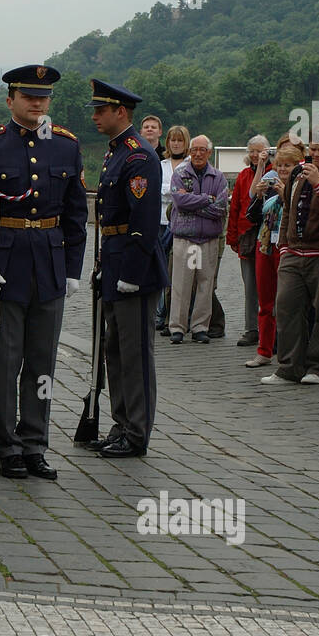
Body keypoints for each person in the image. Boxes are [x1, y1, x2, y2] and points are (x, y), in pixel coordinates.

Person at [0, 64, 87, 480]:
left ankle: (35, 444)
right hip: (4, 265)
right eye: (29, 96)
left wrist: (72, 267)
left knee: (42, 362)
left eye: (43, 97)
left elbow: (76, 213)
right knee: (4, 361)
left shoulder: (66, 145)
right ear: (9, 100)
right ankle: (6, 445)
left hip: (48, 263)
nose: (37, 103)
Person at [87, 80, 167, 458]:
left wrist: (132, 275)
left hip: (135, 268)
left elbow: (145, 221)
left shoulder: (139, 155)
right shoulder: (117, 152)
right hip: (116, 260)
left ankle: (137, 433)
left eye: (101, 110)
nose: (95, 116)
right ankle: (121, 425)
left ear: (121, 111)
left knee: (135, 355)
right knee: (115, 351)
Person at [263, 126, 319, 385]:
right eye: (312, 149)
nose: (315, 154)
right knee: (287, 307)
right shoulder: (298, 171)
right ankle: (289, 367)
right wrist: (284, 244)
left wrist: (318, 184)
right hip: (293, 250)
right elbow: (288, 208)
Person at [244, 136, 302, 367]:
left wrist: (283, 193)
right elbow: (253, 212)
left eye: (287, 165)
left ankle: (288, 352)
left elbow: (301, 211)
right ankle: (264, 351)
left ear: (297, 165)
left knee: (287, 303)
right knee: (265, 302)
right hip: (265, 242)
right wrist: (259, 196)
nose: (282, 169)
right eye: (279, 165)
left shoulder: (302, 183)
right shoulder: (269, 178)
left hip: (289, 245)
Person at [167, 135, 228, 343]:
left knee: (205, 284)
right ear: (190, 152)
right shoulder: (180, 173)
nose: (198, 154)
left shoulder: (218, 177)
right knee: (180, 284)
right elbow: (179, 201)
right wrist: (205, 200)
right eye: (194, 150)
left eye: (202, 150)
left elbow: (220, 207)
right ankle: (177, 327)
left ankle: (200, 327)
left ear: (209, 153)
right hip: (185, 239)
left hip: (207, 240)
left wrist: (193, 205)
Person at [228, 135, 267, 347]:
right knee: (250, 287)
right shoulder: (243, 175)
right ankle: (251, 328)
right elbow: (235, 207)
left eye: (259, 150)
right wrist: (232, 236)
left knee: (268, 286)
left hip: (267, 235)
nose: (255, 155)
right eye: (252, 150)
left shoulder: (274, 171)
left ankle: (270, 328)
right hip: (246, 236)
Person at [156, 124, 190, 333]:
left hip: (181, 224)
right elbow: (157, 190)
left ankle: (176, 315)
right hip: (160, 222)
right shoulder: (161, 164)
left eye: (180, 140)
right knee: (160, 269)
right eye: (172, 140)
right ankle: (160, 312)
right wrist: (175, 191)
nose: (176, 143)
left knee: (178, 271)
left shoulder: (189, 165)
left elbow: (187, 194)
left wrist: (172, 193)